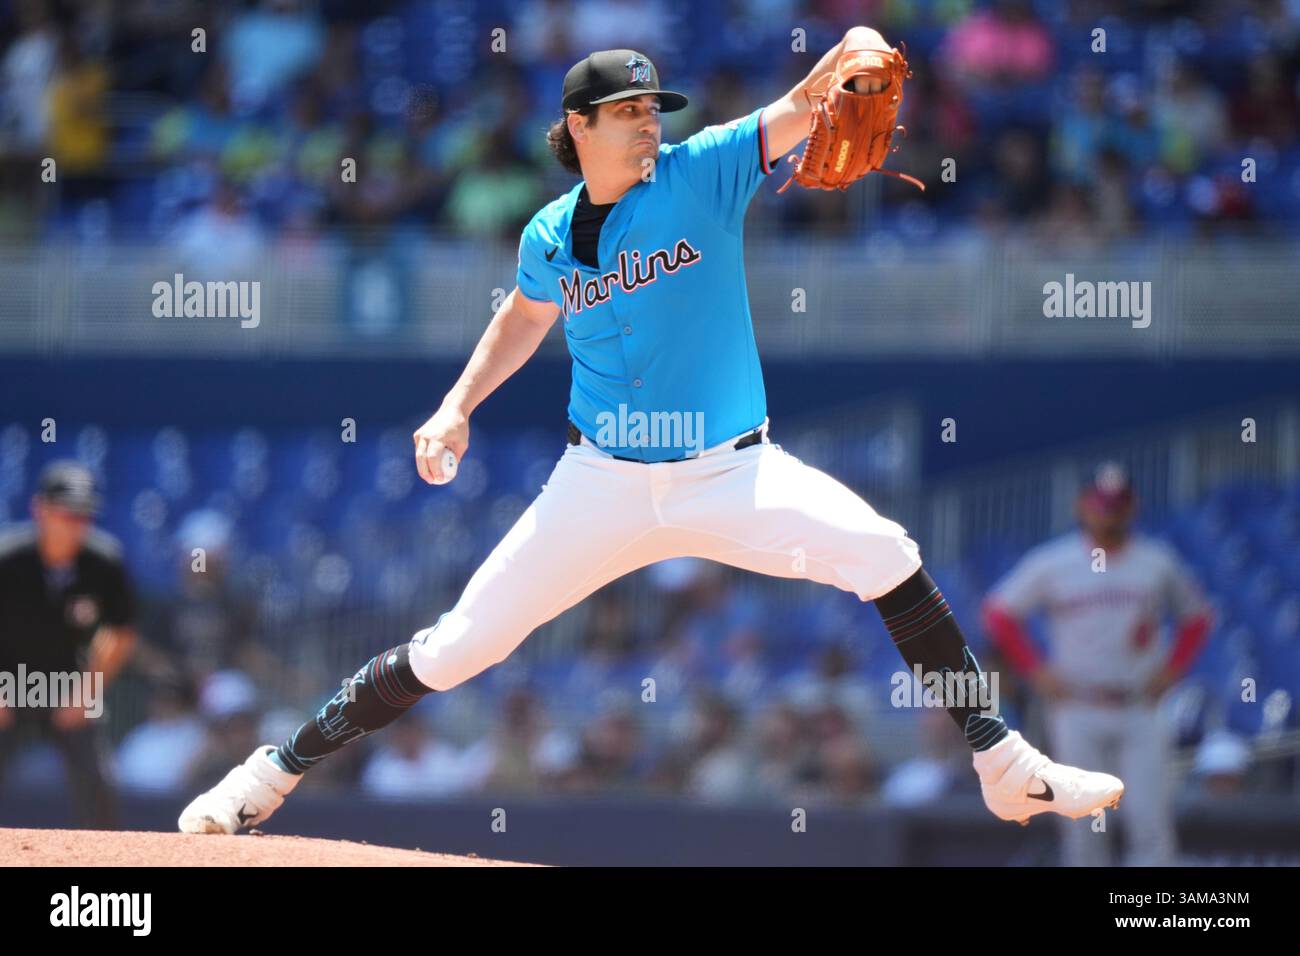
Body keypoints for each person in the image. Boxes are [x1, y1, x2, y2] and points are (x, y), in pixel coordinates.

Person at [179, 33, 1125, 837]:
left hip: (732, 473)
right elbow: (522, 316)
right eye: (628, 110)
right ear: (579, 128)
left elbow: (801, 104)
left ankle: (1002, 763)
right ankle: (271, 774)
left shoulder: (704, 170)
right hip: (600, 485)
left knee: (888, 552)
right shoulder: (547, 233)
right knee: (454, 648)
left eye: (652, 107)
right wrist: (456, 404)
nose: (647, 121)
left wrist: (860, 51)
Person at [983, 462, 1214, 866]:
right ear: (1082, 506)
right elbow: (999, 613)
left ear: (1133, 507)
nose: (1109, 513)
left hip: (1140, 706)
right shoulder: (1054, 562)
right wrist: (1035, 669)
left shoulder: (1156, 562)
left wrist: (1174, 669)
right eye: (1101, 504)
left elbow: (1197, 618)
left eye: (1117, 505)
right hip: (1078, 708)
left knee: (1150, 824)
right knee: (1085, 829)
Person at [0, 460, 137, 827]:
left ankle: (108, 865)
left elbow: (120, 632)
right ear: (39, 509)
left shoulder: (103, 561)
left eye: (84, 516)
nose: (76, 524)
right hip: (7, 683)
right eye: (67, 514)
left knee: (99, 783)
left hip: (67, 684)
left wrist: (85, 691)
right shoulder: (7, 558)